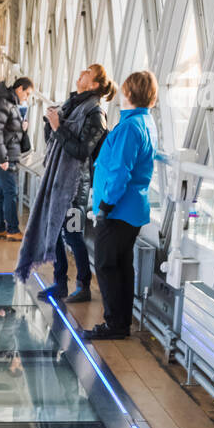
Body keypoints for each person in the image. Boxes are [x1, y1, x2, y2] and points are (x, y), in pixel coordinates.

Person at [16, 64, 115, 301]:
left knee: (72, 234)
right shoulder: (73, 106)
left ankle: (83, 286)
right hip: (58, 182)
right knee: (56, 231)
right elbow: (56, 143)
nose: (80, 73)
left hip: (75, 187)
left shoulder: (95, 114)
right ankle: (60, 283)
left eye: (87, 73)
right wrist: (51, 125)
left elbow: (82, 151)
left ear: (95, 85)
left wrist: (58, 127)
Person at [84, 69, 159, 341]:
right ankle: (121, 322)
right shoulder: (145, 122)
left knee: (105, 265)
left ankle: (115, 324)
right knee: (122, 266)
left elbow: (120, 172)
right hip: (133, 209)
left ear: (129, 93)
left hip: (118, 210)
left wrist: (104, 205)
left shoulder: (129, 127)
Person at [0, 76, 35, 242]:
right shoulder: (2, 104)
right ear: (20, 88)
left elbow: (6, 131)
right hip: (5, 156)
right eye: (27, 93)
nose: (26, 98)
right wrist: (2, 158)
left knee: (2, 192)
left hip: (7, 155)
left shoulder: (9, 104)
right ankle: (12, 230)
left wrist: (21, 128)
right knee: (10, 192)